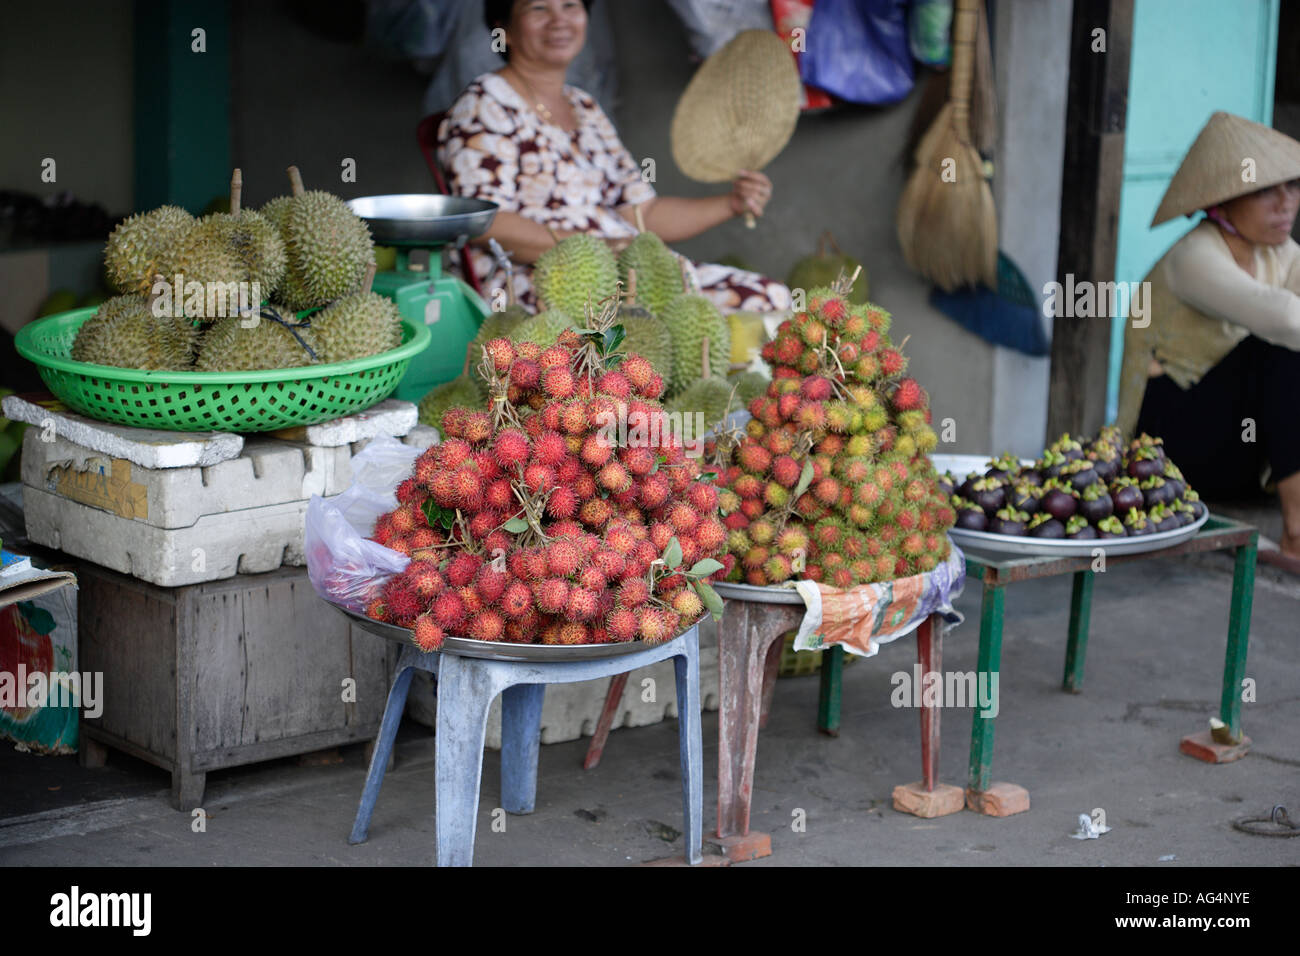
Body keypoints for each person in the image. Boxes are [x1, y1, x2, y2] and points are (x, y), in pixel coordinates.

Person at [436, 0, 791, 314]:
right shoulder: (484, 104)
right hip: (536, 284)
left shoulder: (585, 107)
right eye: (538, 8)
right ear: (504, 29)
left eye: (571, 6)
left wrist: (731, 203)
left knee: (770, 297)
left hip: (625, 273)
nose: (559, 20)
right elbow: (484, 221)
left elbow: (641, 213)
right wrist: (600, 248)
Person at [1117, 111, 1300, 567]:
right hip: (1167, 455)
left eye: (1292, 186)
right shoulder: (1194, 255)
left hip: (1234, 449)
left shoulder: (1282, 253)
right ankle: (1297, 533)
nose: (1285, 203)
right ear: (1224, 199)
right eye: (1264, 190)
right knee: (1282, 350)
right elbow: (1287, 320)